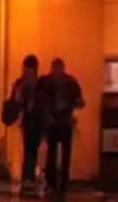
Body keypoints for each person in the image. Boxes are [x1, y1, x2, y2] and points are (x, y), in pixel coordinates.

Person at [39, 58, 83, 195]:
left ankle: (56, 182)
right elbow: (79, 101)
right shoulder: (69, 82)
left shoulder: (48, 82)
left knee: (56, 153)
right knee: (60, 154)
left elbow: (79, 101)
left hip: (58, 122)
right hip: (60, 122)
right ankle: (59, 182)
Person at [3, 55, 43, 196]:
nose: (27, 75)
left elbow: (41, 107)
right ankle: (19, 180)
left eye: (30, 72)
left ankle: (32, 178)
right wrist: (18, 97)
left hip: (34, 126)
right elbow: (12, 104)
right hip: (20, 126)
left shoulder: (40, 87)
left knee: (33, 154)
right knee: (18, 155)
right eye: (25, 71)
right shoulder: (19, 85)